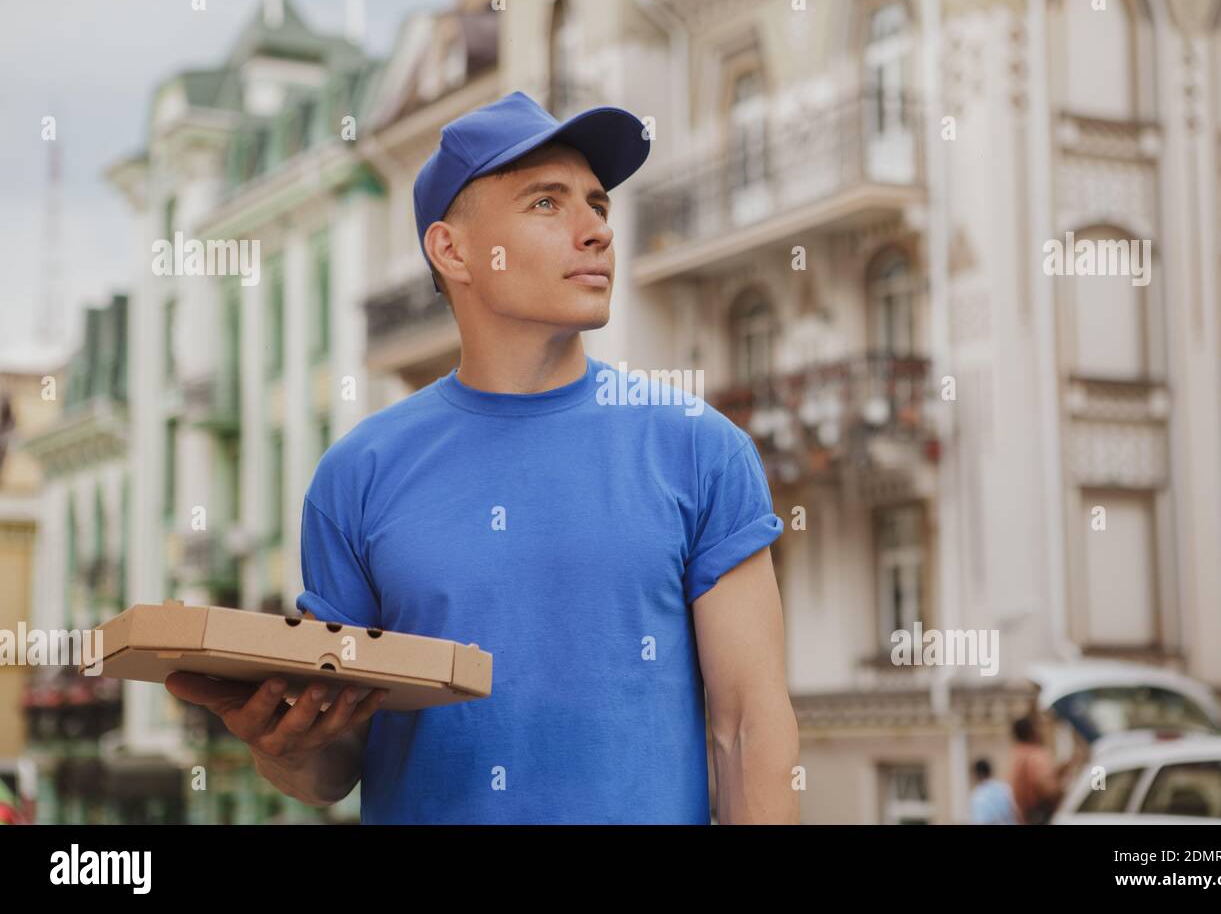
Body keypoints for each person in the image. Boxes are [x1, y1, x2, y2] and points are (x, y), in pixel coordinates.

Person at [167, 91, 799, 824]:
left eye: (598, 204)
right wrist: (283, 747)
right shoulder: (357, 475)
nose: (595, 230)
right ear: (452, 250)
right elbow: (335, 767)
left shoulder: (701, 449)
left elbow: (748, 726)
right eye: (546, 203)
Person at [1008, 714, 1073, 824]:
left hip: (1027, 817)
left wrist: (1062, 769)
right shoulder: (1036, 755)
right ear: (1032, 732)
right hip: (1043, 816)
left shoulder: (1018, 755)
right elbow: (1048, 788)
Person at [968, 758, 1018, 824]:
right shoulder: (1005, 788)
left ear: (977, 774)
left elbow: (980, 821)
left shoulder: (978, 795)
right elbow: (1016, 812)